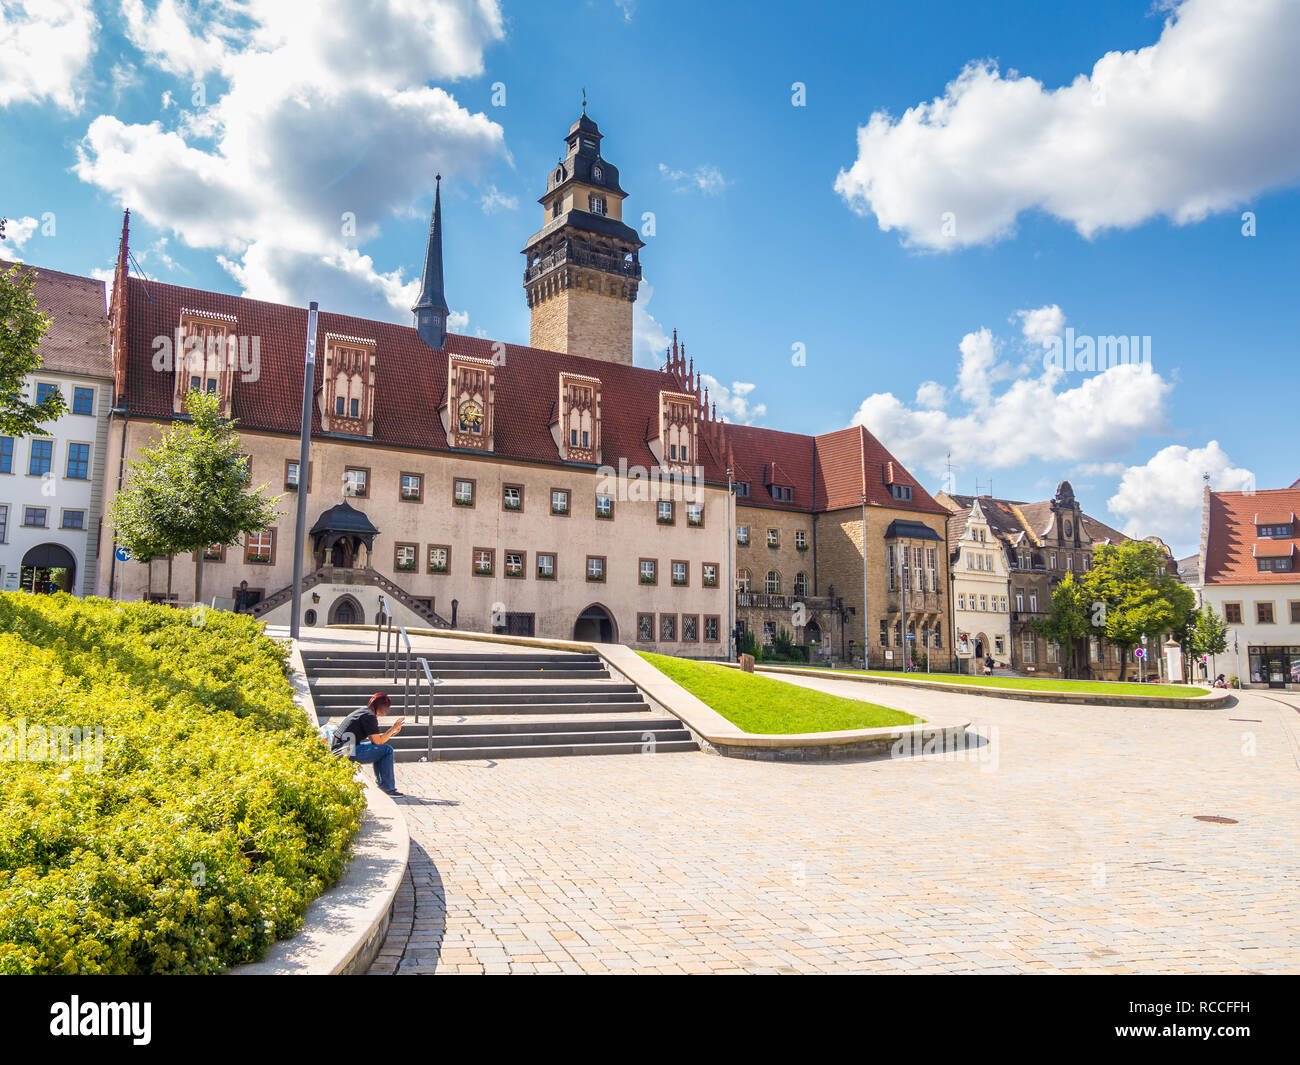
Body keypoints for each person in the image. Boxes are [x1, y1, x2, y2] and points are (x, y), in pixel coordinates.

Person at [332, 692, 405, 796]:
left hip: (341, 749)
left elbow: (376, 739)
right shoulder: (369, 716)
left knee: (381, 749)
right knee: (387, 750)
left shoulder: (363, 712)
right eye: (385, 707)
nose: (386, 711)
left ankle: (384, 785)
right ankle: (387, 788)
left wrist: (391, 732)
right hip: (344, 752)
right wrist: (393, 728)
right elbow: (378, 741)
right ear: (378, 706)